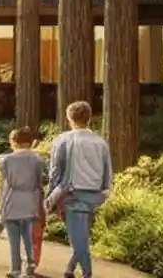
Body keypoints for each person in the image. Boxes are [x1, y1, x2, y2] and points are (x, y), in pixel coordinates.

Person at [47, 101, 113, 278]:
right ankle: (69, 269)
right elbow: (108, 169)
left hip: (72, 193)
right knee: (81, 235)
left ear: (69, 118)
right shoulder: (100, 142)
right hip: (96, 194)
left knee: (78, 240)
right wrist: (106, 191)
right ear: (89, 118)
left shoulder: (63, 140)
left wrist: (51, 196)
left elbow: (55, 171)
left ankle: (87, 273)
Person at [0, 127, 46, 277]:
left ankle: (15, 268)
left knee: (14, 239)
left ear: (13, 142)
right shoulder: (37, 160)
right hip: (30, 202)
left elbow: (4, 186)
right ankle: (30, 265)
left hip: (11, 201)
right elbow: (40, 183)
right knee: (28, 238)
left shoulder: (6, 160)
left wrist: (1, 212)